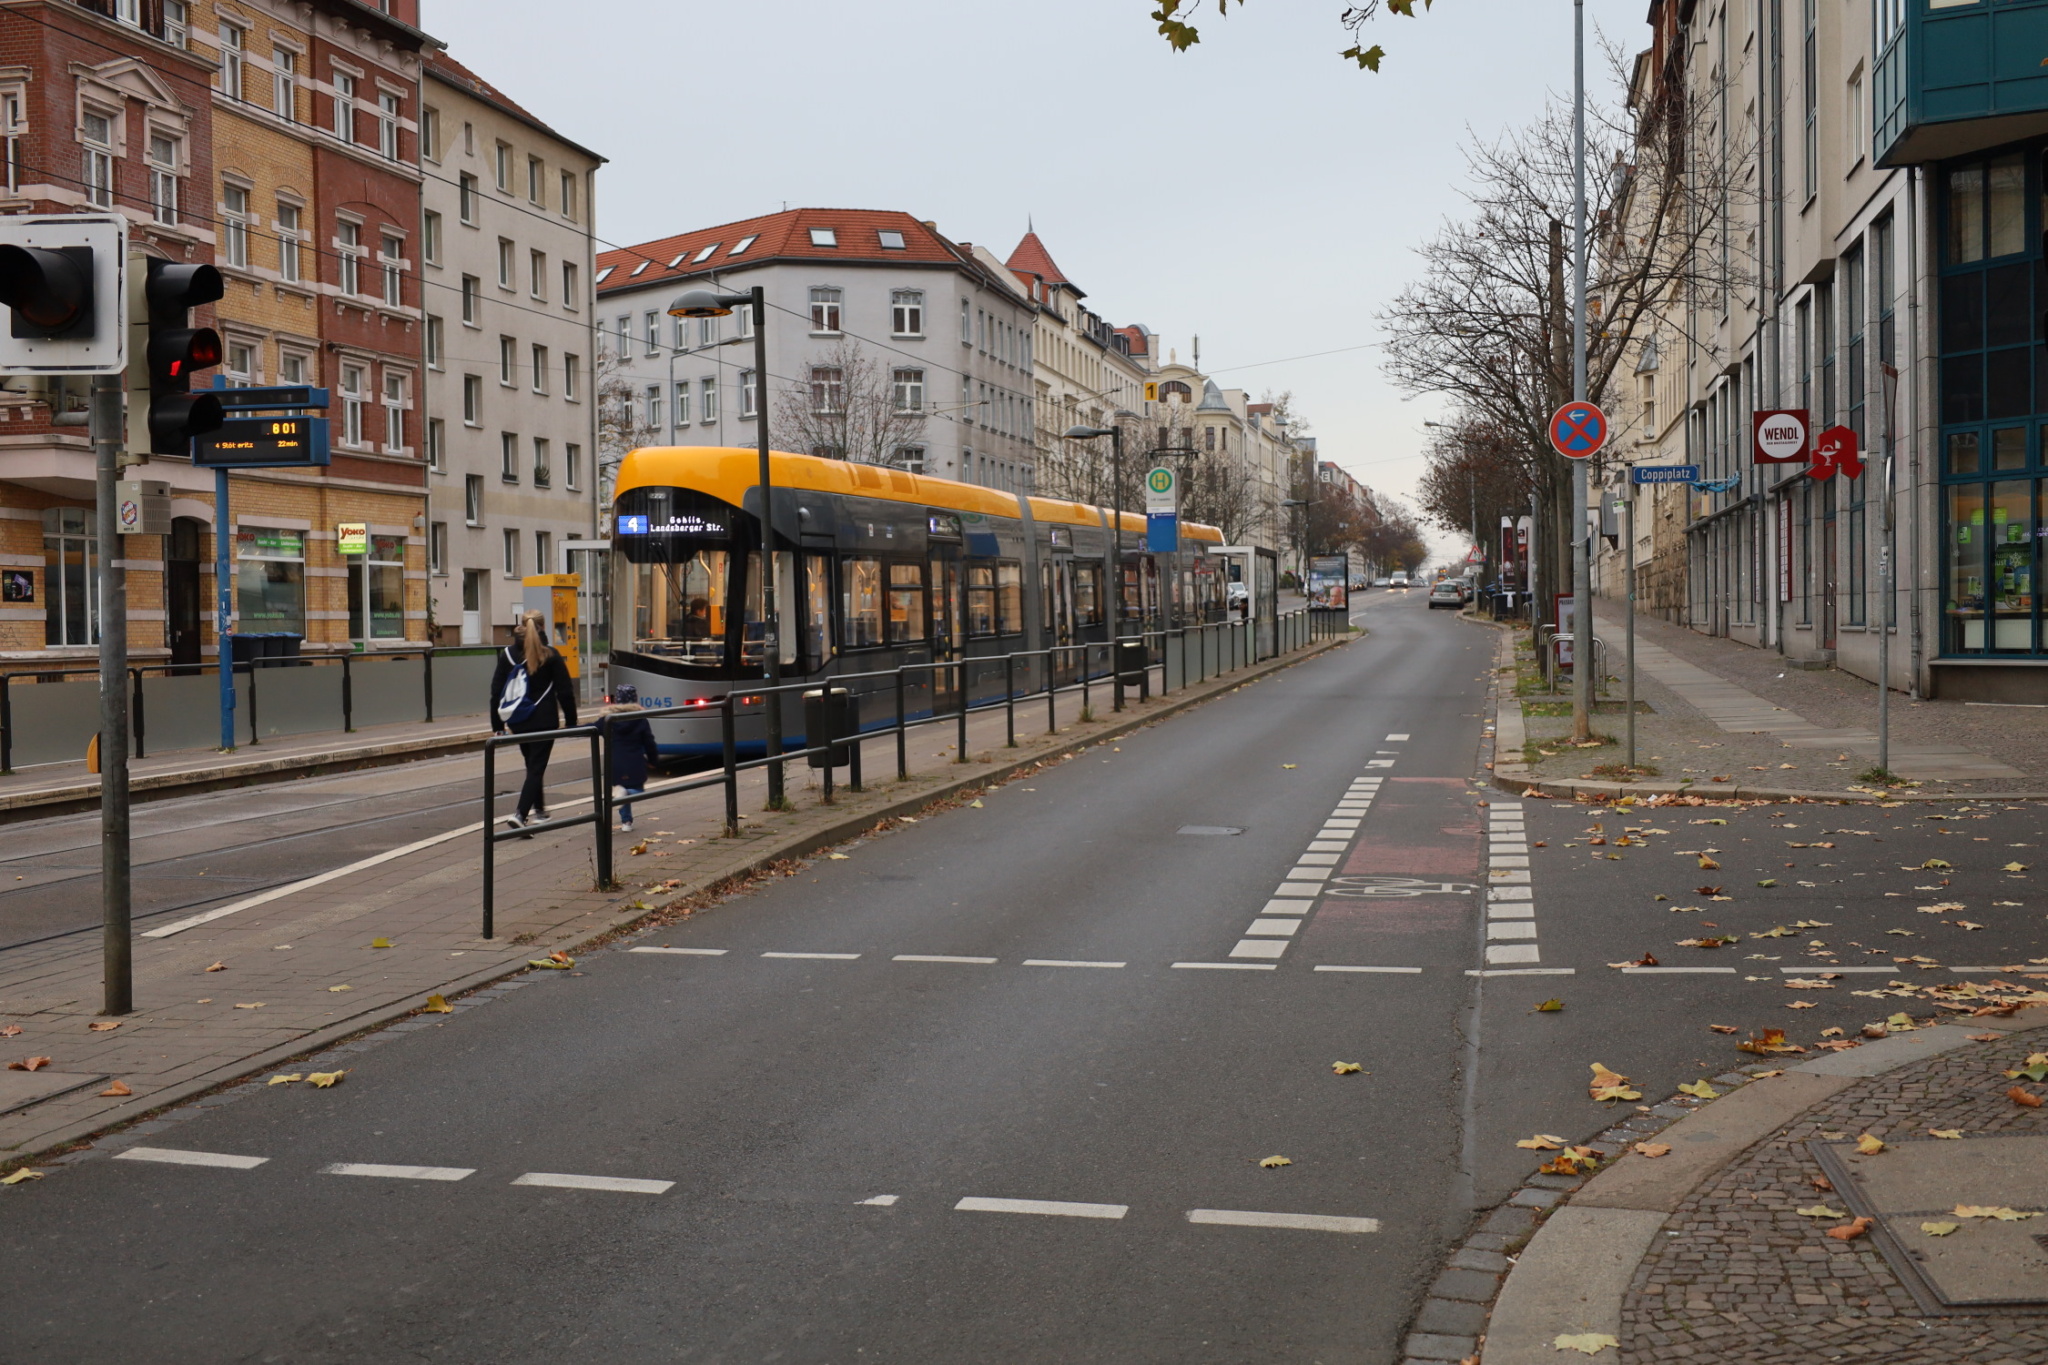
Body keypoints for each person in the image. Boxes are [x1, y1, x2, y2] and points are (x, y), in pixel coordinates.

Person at [490, 610, 578, 834]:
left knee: (532, 766)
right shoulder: (550, 654)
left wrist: (498, 726)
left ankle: (540, 811)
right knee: (536, 768)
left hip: (518, 720)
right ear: (543, 627)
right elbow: (565, 691)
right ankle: (521, 814)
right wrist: (571, 721)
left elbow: (496, 692)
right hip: (544, 720)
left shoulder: (508, 655)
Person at [602, 683, 660, 832]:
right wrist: (653, 760)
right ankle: (627, 800)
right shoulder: (640, 719)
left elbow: (591, 727)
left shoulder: (608, 719)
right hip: (635, 762)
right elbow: (649, 742)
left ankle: (626, 822)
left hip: (614, 763)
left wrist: (570, 728)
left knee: (621, 790)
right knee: (636, 792)